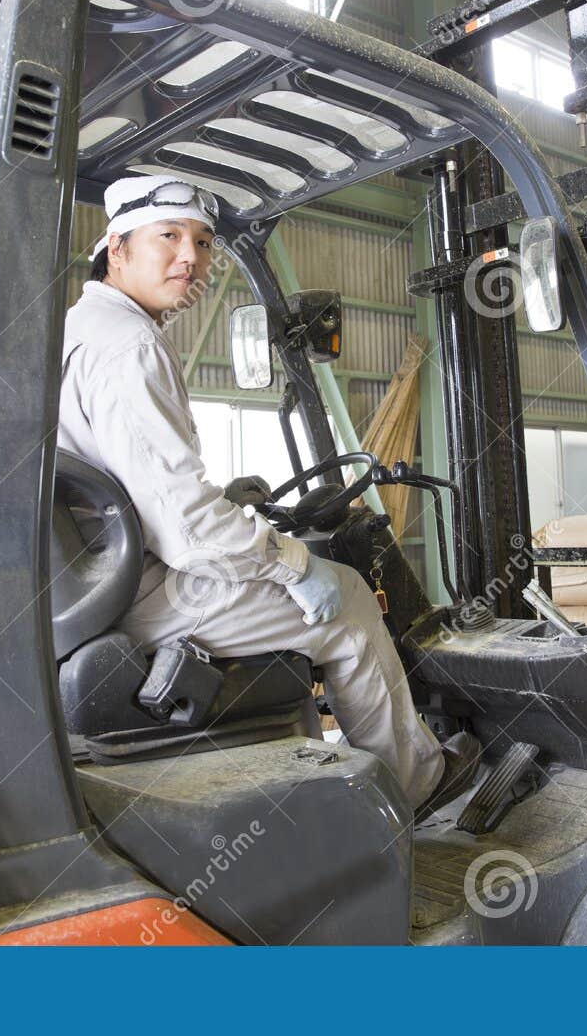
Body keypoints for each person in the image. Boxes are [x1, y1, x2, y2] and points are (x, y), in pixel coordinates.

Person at [58, 174, 479, 817]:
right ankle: (419, 785)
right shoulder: (131, 345)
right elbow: (189, 531)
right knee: (350, 603)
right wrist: (294, 562)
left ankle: (334, 769)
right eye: (168, 236)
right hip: (139, 592)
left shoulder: (79, 329)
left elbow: (133, 481)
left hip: (93, 581)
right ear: (117, 248)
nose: (190, 257)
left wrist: (229, 503)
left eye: (202, 241)